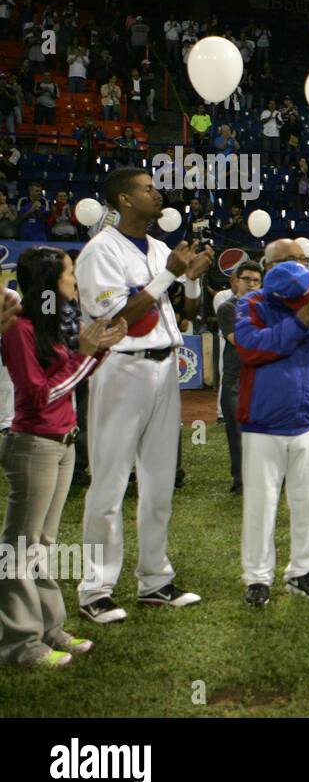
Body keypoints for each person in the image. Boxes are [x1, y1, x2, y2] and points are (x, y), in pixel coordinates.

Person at [74, 168, 213, 624]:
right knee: (110, 483)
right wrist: (167, 276)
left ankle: (155, 580)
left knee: (159, 483)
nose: (157, 193)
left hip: (164, 366)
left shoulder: (158, 249)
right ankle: (95, 587)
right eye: (147, 188)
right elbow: (120, 321)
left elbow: (187, 313)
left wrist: (190, 279)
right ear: (124, 200)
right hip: (121, 368)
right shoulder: (99, 251)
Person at [0, 249, 126, 668]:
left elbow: (70, 376)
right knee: (19, 547)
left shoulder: (45, 324)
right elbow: (40, 394)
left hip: (62, 443)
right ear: (51, 281)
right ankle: (21, 644)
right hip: (34, 445)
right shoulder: (19, 329)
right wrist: (87, 354)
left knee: (43, 545)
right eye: (70, 274)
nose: (75, 281)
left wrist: (99, 350)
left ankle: (50, 629)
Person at [233, 249, 309, 605]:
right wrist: (298, 323)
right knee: (261, 502)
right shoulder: (252, 304)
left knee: (308, 499)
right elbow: (251, 349)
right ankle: (257, 578)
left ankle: (303, 571)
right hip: (263, 421)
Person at [216, 262, 262, 493]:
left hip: (262, 380)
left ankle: (266, 477)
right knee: (237, 434)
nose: (252, 284)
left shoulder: (267, 308)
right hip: (236, 382)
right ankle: (241, 480)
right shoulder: (228, 309)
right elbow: (240, 342)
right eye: (247, 279)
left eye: (256, 280)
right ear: (237, 281)